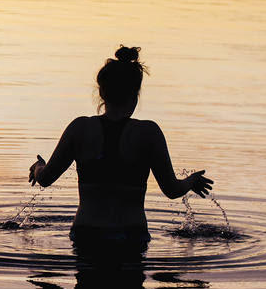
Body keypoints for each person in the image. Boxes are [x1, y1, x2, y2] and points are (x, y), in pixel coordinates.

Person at [26, 46, 212, 258]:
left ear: (102, 92)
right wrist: (191, 181)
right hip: (132, 238)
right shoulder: (149, 133)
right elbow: (171, 190)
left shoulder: (80, 129)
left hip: (86, 236)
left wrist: (38, 168)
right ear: (136, 94)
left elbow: (46, 178)